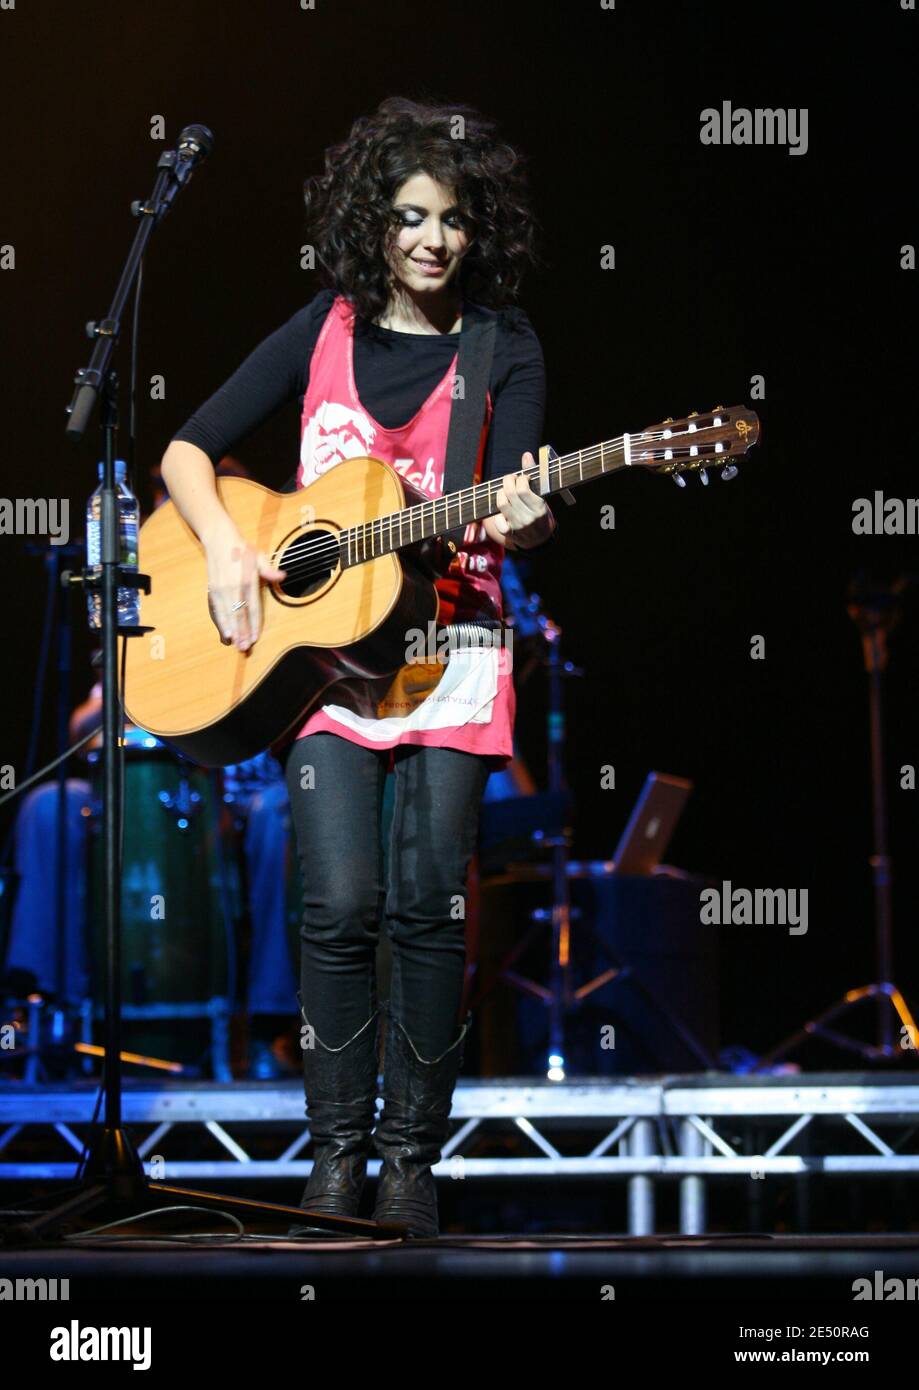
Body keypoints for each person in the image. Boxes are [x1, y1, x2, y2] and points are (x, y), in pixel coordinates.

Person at [161, 96, 557, 1237]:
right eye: (411, 217)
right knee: (336, 904)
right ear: (371, 222)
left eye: (454, 221)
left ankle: (408, 1168)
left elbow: (521, 504)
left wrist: (526, 517)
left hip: (451, 644)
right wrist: (234, 550)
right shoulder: (324, 326)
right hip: (325, 664)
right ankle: (332, 1161)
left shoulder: (504, 344)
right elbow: (188, 449)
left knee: (428, 909)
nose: (433, 240)